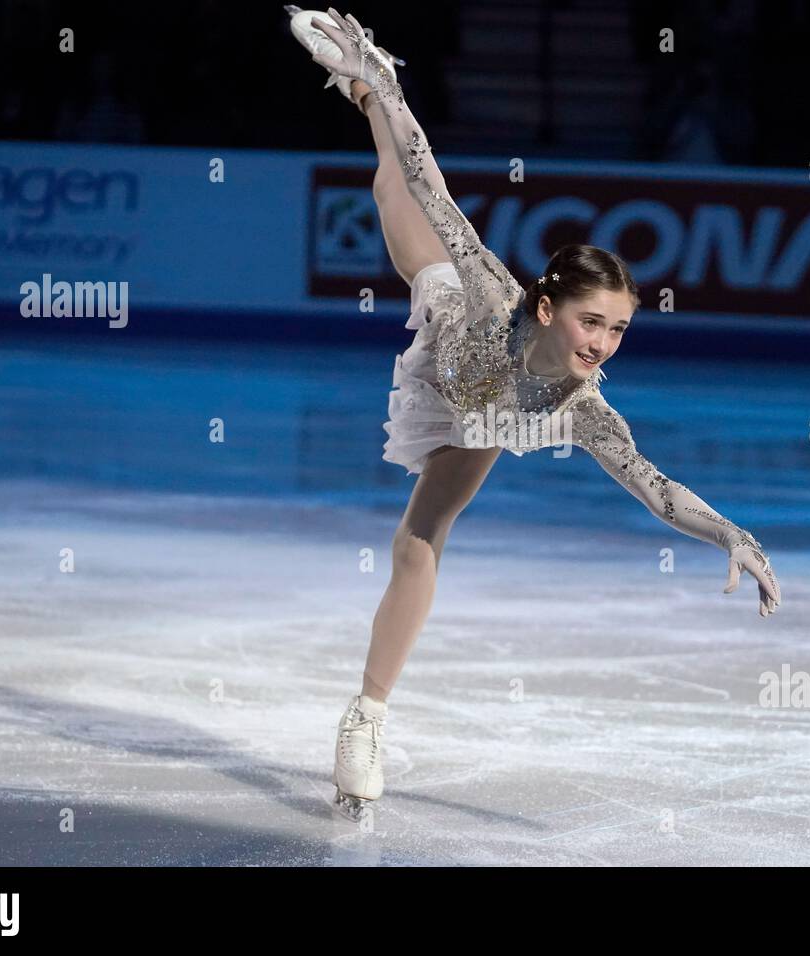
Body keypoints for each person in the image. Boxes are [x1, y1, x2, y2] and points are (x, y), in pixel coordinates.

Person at [286, 7, 781, 822]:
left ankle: (364, 717)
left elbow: (656, 489)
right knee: (392, 185)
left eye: (619, 328)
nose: (605, 342)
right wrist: (383, 92)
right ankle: (370, 75)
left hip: (491, 415)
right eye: (594, 322)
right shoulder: (489, 288)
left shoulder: (582, 406)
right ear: (548, 307)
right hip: (452, 333)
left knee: (419, 541)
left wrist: (729, 532)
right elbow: (426, 174)